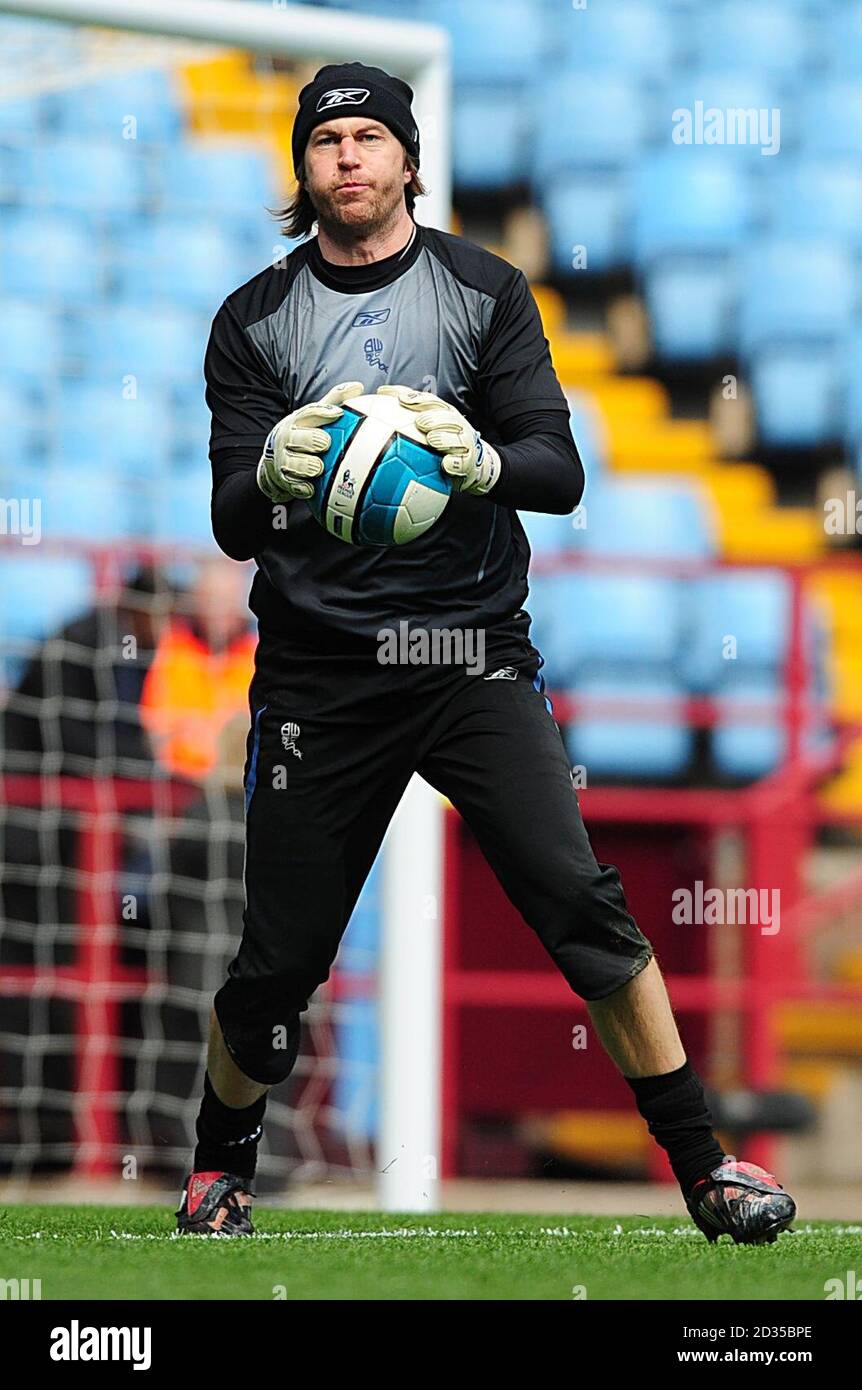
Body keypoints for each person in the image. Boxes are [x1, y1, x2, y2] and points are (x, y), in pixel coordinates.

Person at [176, 62, 796, 1244]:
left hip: (470, 658)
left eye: (369, 137)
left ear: (409, 159)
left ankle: (707, 1166)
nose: (347, 157)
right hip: (320, 673)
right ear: (303, 170)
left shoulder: (485, 289)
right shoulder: (251, 320)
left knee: (582, 906)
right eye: (326, 141)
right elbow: (227, 519)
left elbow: (556, 473)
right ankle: (220, 1169)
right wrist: (272, 468)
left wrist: (478, 460)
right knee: (274, 967)